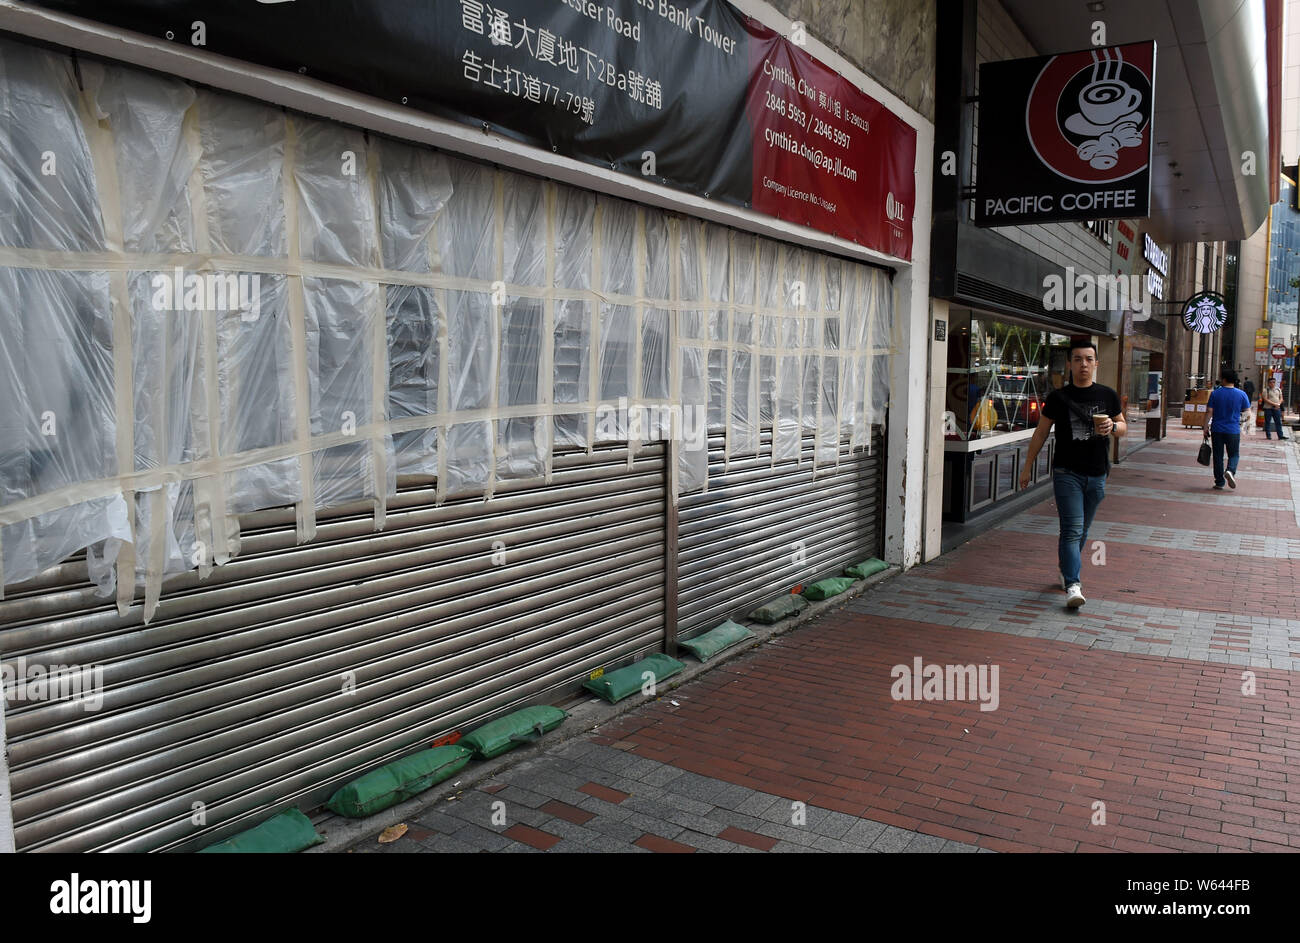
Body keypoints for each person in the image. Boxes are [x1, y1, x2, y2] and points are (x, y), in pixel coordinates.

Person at [1020, 339, 1125, 609]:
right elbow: (1041, 432)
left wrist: (1113, 426)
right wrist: (1027, 465)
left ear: (1096, 363)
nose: (1083, 365)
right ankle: (1073, 585)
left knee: (1083, 530)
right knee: (1072, 530)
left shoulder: (1107, 395)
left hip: (1098, 474)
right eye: (1078, 359)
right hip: (1067, 472)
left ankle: (1066, 566)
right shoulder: (1058, 398)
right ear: (1070, 364)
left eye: (1088, 359)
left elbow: (1123, 426)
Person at [1204, 369, 1252, 489]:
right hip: (1233, 430)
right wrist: (1243, 425)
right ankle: (1230, 470)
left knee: (1218, 456)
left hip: (1217, 429)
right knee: (1234, 454)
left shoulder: (1215, 393)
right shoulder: (1242, 394)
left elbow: (1209, 411)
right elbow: (1248, 413)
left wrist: (1205, 427)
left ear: (1224, 379)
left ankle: (1219, 482)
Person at [1262, 377, 1287, 441]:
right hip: (1268, 408)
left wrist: (1278, 404)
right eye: (1271, 382)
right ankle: (1268, 435)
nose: (1272, 384)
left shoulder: (1278, 389)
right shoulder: (1265, 390)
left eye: (1273, 382)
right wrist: (1274, 404)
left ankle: (1280, 435)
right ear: (1268, 383)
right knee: (1268, 422)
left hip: (1276, 408)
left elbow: (1281, 398)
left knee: (1278, 422)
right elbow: (1265, 399)